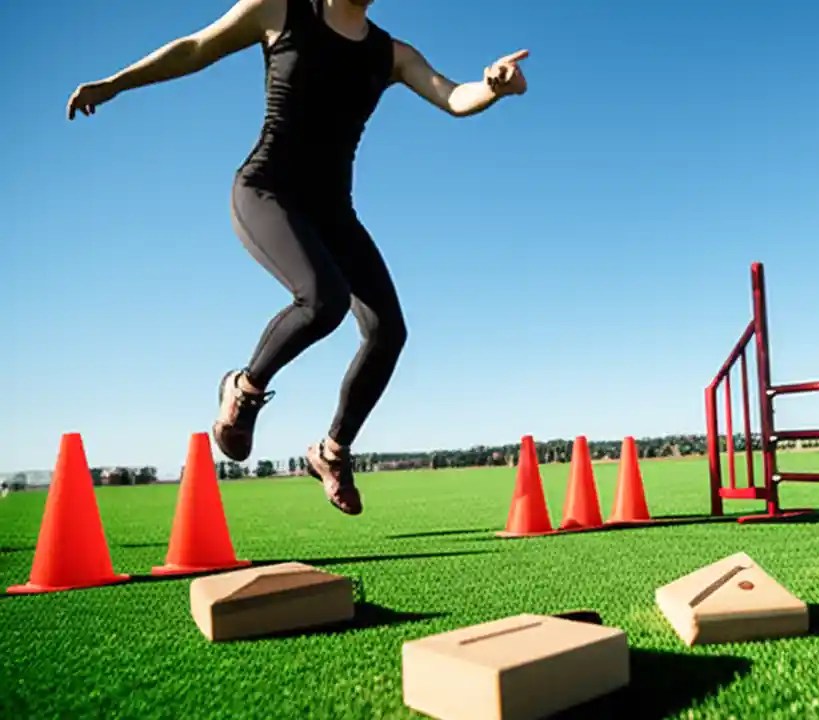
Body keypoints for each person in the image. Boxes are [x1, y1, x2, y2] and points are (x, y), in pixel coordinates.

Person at [65, 0, 528, 515]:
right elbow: (197, 48)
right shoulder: (279, 11)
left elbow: (452, 96)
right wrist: (115, 83)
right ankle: (242, 390)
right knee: (323, 299)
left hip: (333, 212)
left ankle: (331, 452)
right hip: (267, 192)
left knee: (388, 332)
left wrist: (492, 85)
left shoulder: (391, 53)